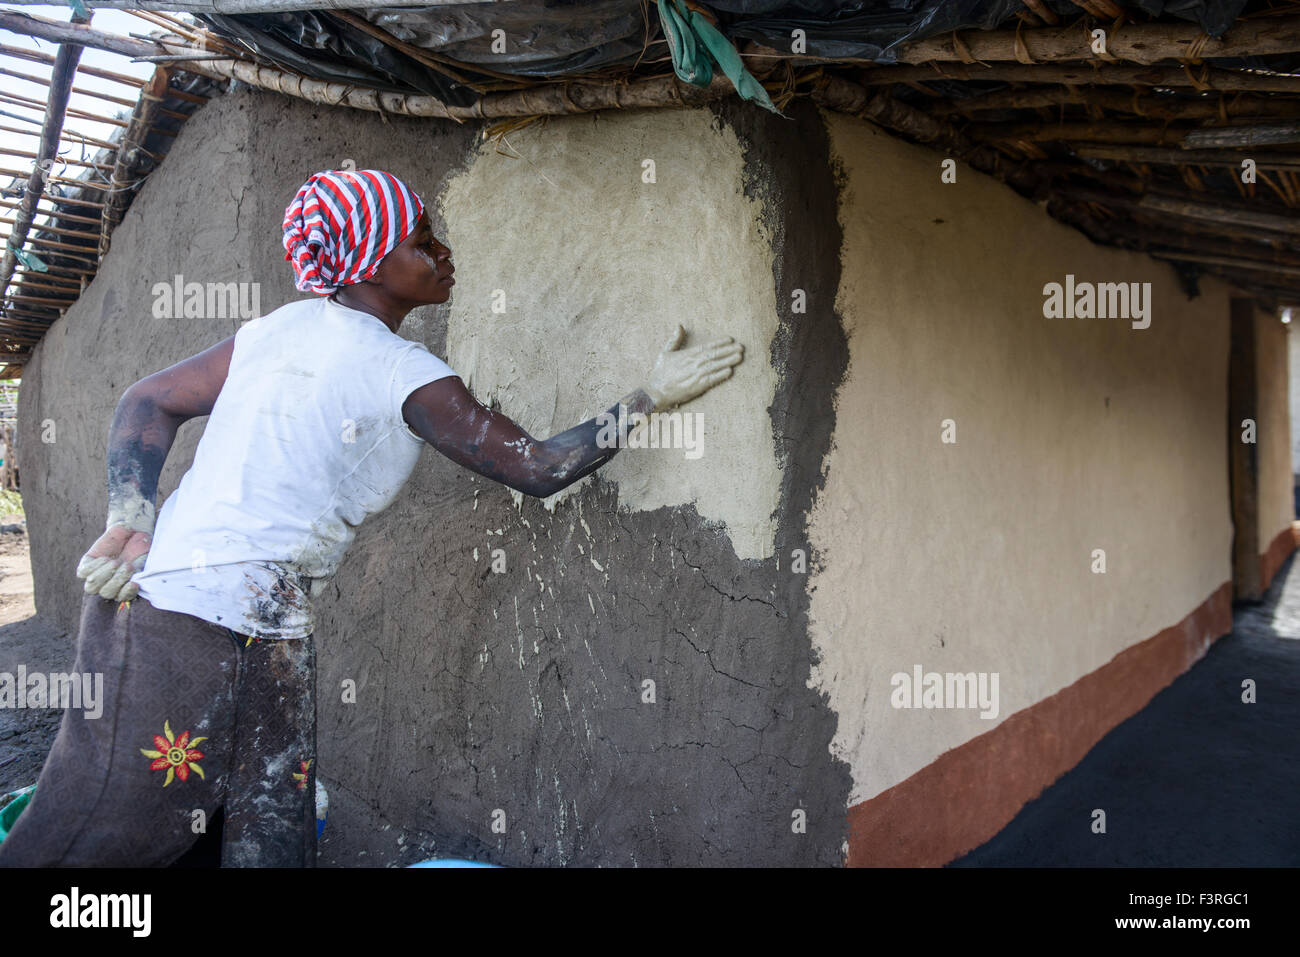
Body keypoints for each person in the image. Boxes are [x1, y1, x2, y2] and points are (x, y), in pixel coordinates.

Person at [0, 169, 743, 867]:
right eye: (423, 241)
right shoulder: (398, 370)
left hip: (273, 627)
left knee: (270, 831)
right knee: (95, 832)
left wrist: (136, 509)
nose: (444, 252)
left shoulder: (281, 330)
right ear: (367, 262)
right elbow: (536, 466)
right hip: (178, 619)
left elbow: (148, 398)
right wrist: (649, 396)